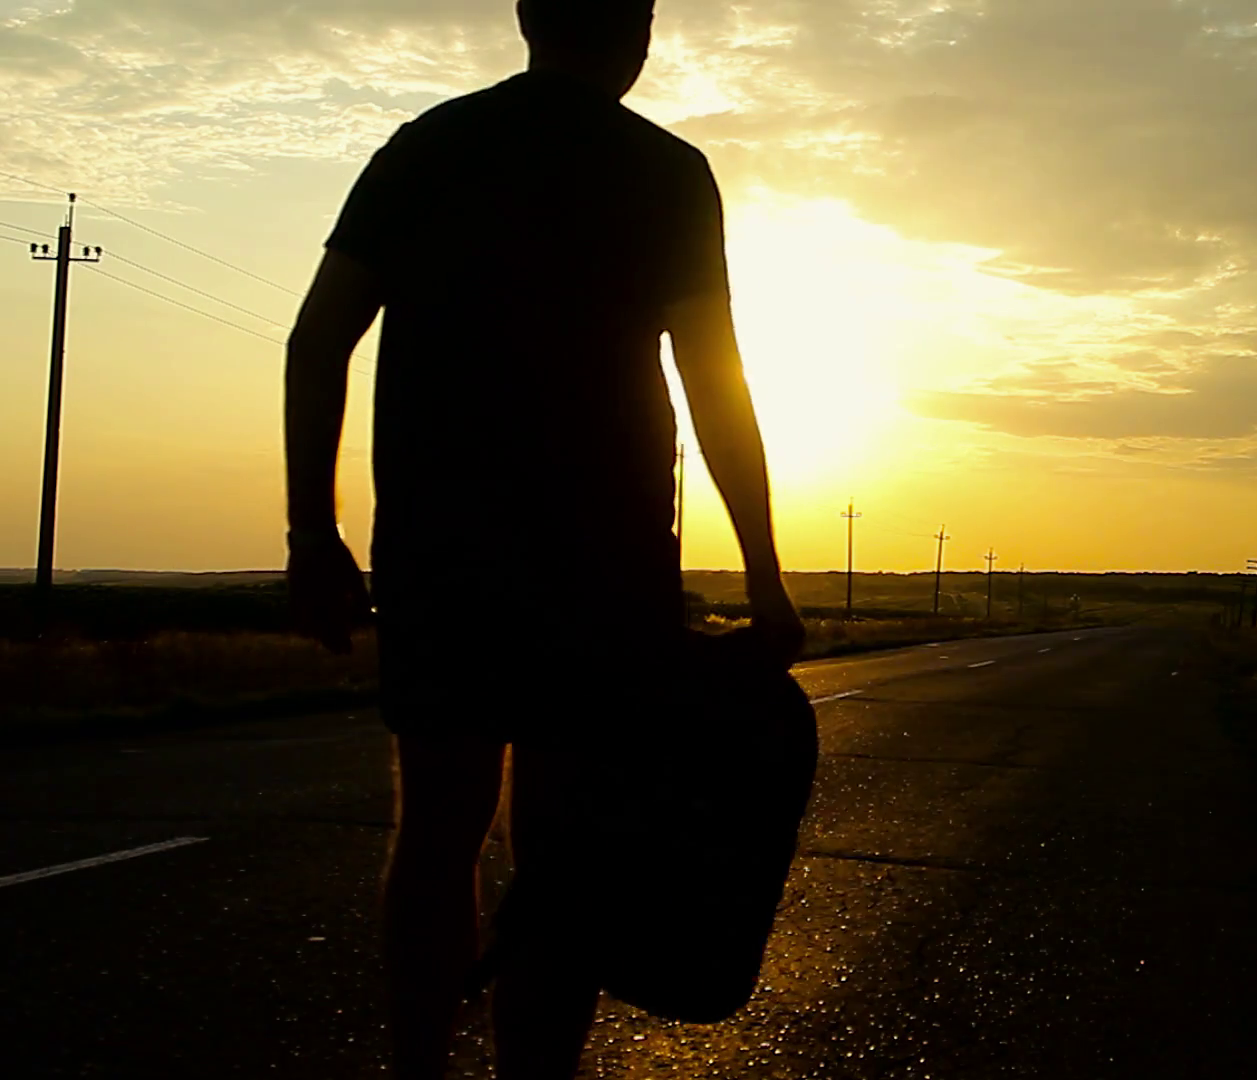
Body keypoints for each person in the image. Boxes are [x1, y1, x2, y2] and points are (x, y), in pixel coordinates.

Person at [281, 1, 803, 1076]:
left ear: (528, 15)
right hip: (602, 567)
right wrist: (762, 575)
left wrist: (311, 534)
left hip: (441, 553)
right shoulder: (665, 171)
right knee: (564, 856)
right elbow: (717, 387)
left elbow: (316, 340)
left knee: (437, 831)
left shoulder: (428, 149)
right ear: (638, 31)